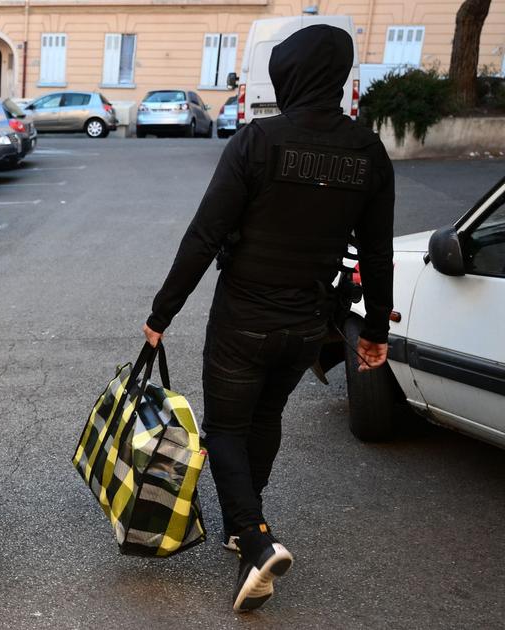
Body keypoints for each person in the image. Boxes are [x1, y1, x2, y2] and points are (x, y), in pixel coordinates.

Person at [142, 25, 393, 613]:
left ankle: (255, 541)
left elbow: (204, 236)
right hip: (307, 323)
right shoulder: (367, 152)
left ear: (289, 75)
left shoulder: (258, 143)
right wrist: (375, 330)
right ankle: (241, 527)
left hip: (243, 320)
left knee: (227, 430)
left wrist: (162, 314)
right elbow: (376, 252)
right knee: (266, 417)